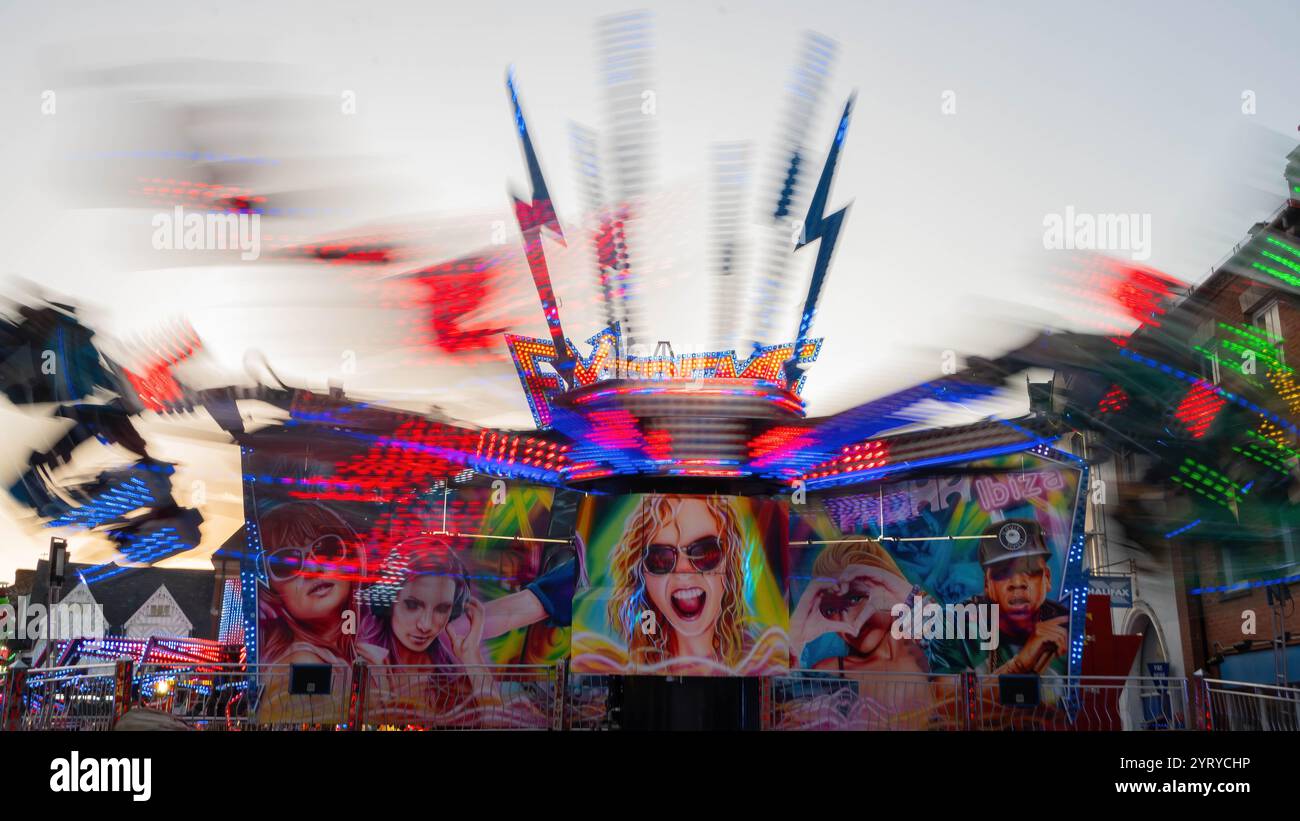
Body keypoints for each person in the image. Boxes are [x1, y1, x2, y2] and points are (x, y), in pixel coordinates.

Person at [605, 495, 781, 675]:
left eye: (705, 552)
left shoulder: (762, 658)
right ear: (642, 575)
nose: (683, 570)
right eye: (661, 559)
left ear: (730, 563)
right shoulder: (621, 661)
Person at [787, 539, 934, 729]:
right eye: (830, 610)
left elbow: (960, 644)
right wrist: (794, 639)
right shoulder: (834, 671)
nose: (848, 620)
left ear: (887, 588)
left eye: (855, 598)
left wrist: (906, 593)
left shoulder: (932, 657)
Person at [357, 537, 496, 726]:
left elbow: (497, 721)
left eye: (442, 609)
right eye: (412, 605)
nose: (426, 625)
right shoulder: (363, 660)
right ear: (388, 602)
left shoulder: (450, 676)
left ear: (454, 610)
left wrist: (471, 655)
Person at [255, 501, 367, 726]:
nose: (314, 569)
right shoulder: (305, 660)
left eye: (327, 550)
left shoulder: (348, 648)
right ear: (271, 589)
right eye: (287, 563)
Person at [929, 519, 1069, 677]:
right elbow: (943, 697)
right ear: (987, 584)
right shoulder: (954, 623)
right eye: (1003, 572)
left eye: (1030, 571)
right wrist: (1019, 664)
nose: (1017, 583)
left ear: (1047, 578)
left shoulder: (1068, 626)